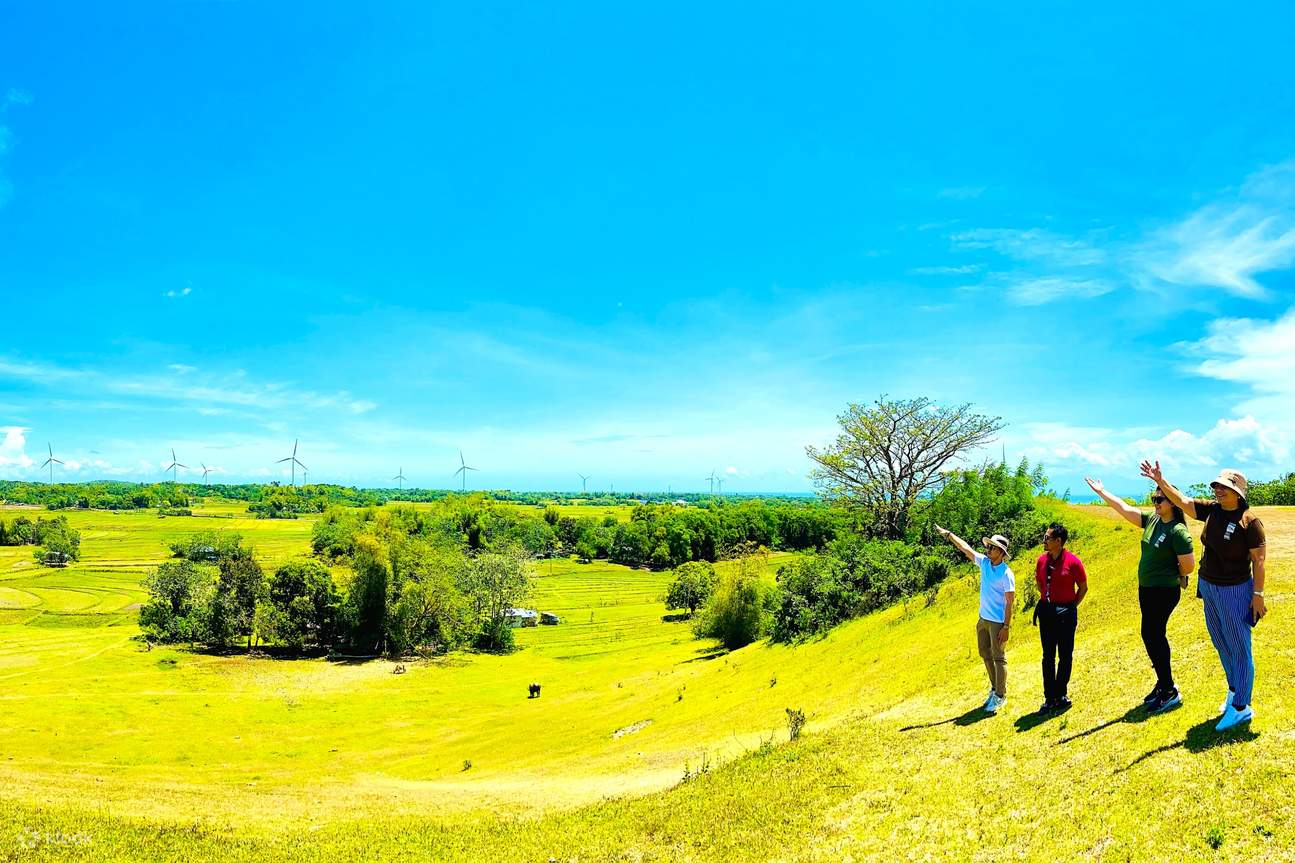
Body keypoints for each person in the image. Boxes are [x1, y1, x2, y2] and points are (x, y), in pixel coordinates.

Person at [1140, 461, 1267, 731]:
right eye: (1218, 486)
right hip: (1209, 587)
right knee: (1221, 642)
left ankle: (1242, 707)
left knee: (1240, 648)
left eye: (1226, 487)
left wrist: (1257, 595)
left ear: (1239, 493)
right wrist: (1161, 482)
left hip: (1235, 590)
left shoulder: (1249, 522)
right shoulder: (1213, 511)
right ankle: (1234, 691)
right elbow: (1182, 501)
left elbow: (1259, 561)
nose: (1219, 490)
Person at [1085, 477, 1195, 713]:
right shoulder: (1153, 520)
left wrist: (1171, 572)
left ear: (1173, 502)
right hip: (1147, 589)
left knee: (1154, 635)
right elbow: (1124, 509)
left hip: (1164, 591)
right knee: (1150, 635)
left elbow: (1188, 567)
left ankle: (1169, 690)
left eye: (1160, 499)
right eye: (1154, 498)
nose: (1155, 502)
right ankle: (1163, 683)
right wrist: (1103, 492)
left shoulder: (1178, 532)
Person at [936, 525, 1015, 714]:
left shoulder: (1006, 573)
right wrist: (949, 535)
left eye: (992, 548)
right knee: (985, 653)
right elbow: (966, 549)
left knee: (999, 657)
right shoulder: (984, 563)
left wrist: (1006, 626)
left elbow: (1010, 603)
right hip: (983, 619)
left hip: (997, 622)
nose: (988, 550)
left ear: (1001, 552)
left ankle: (1001, 696)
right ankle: (995, 688)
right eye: (988, 547)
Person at [1033, 523, 1087, 712]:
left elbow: (1083, 587)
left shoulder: (1072, 561)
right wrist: (1049, 601)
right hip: (1047, 613)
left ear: (1059, 541)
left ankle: (1060, 693)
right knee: (1048, 656)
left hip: (1066, 615)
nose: (1044, 541)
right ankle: (1049, 697)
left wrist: (1071, 606)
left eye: (1048, 538)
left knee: (1065, 655)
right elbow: (1039, 583)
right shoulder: (1041, 561)